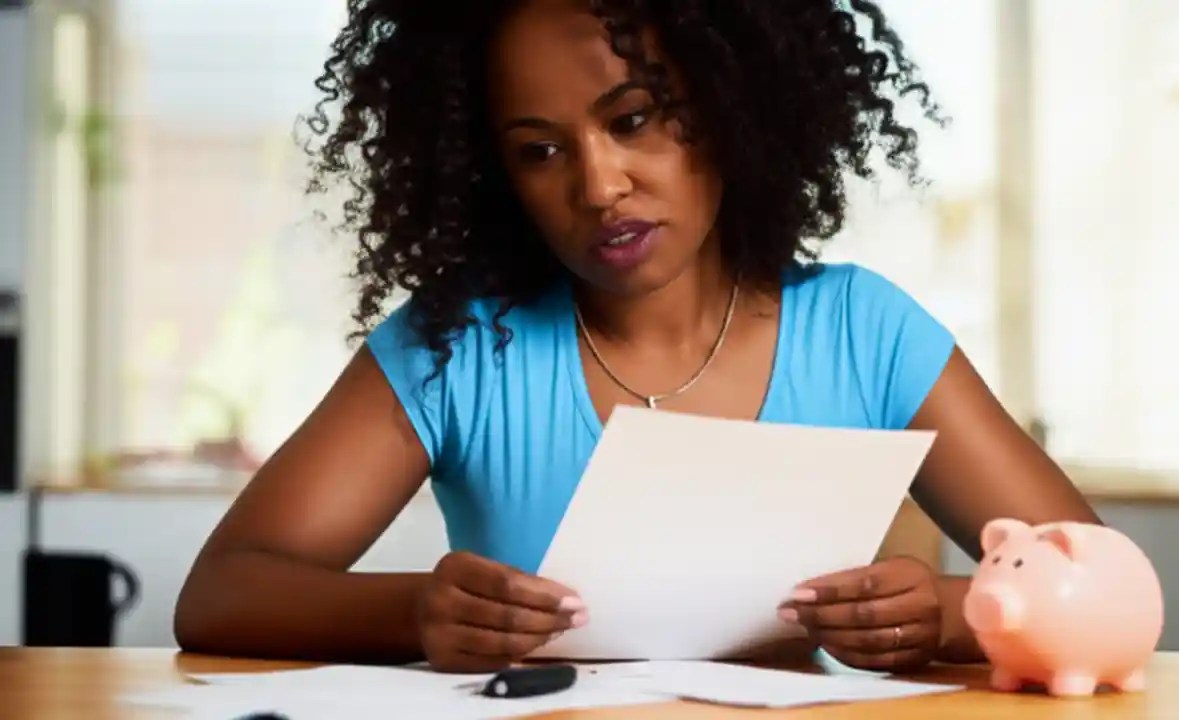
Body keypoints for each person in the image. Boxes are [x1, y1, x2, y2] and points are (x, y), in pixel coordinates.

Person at [173, 0, 1101, 674]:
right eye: (540, 150)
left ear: (735, 102)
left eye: (633, 120)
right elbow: (220, 594)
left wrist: (941, 613)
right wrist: (415, 612)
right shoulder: (457, 346)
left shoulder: (866, 331)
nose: (599, 184)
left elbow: (1099, 586)